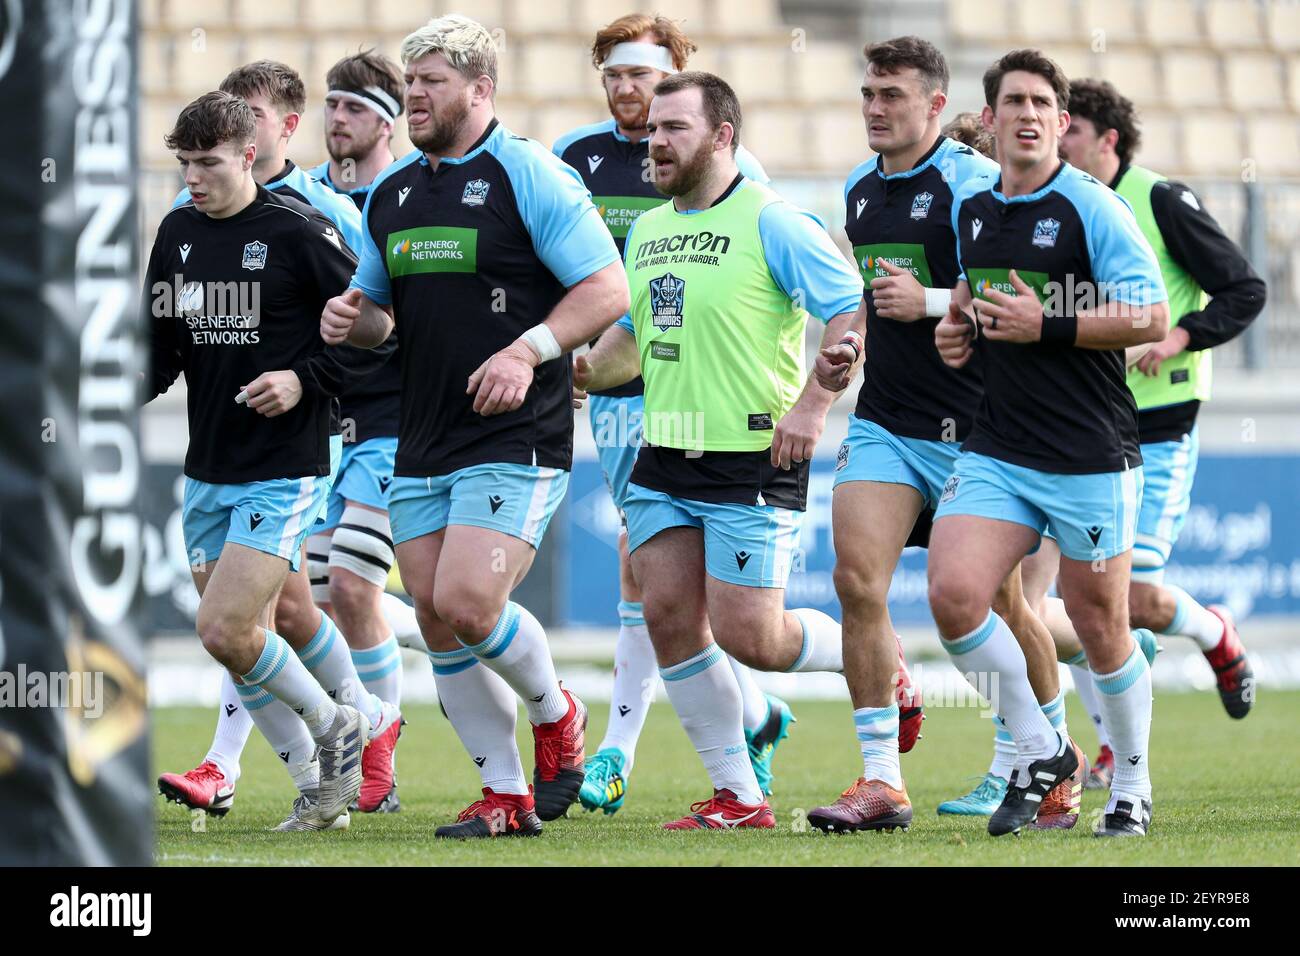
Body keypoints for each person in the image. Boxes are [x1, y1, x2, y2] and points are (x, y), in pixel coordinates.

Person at [320, 15, 628, 838]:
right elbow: (380, 314)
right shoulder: (392, 193)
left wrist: (528, 350)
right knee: (432, 612)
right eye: (411, 82)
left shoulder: (531, 173)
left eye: (433, 82)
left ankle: (558, 711)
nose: (415, 96)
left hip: (514, 433)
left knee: (467, 597)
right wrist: (355, 320)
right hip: (420, 434)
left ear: (480, 89)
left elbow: (608, 287)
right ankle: (505, 794)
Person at [806, 37, 1079, 834]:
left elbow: (1012, 294)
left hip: (979, 430)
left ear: (934, 104)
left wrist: (926, 303)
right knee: (857, 581)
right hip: (888, 421)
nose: (875, 108)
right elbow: (872, 297)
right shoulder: (858, 188)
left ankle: (1048, 758)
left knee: (1000, 604)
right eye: (868, 93)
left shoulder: (973, 184)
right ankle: (881, 782)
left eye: (891, 94)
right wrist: (851, 342)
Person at [577, 71, 863, 830]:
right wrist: (580, 370)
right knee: (668, 616)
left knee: (753, 637)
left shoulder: (773, 219)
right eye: (652, 130)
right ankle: (738, 796)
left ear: (722, 136)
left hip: (752, 455)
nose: (655, 142)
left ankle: (874, 655)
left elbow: (849, 307)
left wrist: (813, 405)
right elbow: (632, 337)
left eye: (674, 128)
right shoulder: (648, 230)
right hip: (663, 453)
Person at [551, 11, 792, 816]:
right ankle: (753, 716)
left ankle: (617, 749)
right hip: (620, 387)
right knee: (653, 572)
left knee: (647, 567)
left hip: (700, 395)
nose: (628, 89)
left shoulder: (731, 170)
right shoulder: (573, 158)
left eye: (645, 76)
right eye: (615, 74)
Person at [929, 50, 1170, 837]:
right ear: (990, 118)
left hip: (1090, 450)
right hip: (999, 445)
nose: (1027, 115)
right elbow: (972, 288)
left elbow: (1150, 316)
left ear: (1062, 124)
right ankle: (1043, 750)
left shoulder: (1092, 207)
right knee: (954, 596)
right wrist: (958, 326)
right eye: (1014, 102)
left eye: (1042, 104)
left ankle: (1130, 786)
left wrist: (1049, 324)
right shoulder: (973, 208)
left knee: (1100, 624)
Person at [156, 59, 403, 824]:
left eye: (207, 163)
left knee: (227, 625)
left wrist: (303, 379)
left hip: (288, 463)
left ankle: (342, 722)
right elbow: (160, 354)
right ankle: (321, 784)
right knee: (254, 633)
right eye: (185, 163)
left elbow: (379, 333)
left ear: (247, 153)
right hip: (210, 465)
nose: (193, 178)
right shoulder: (177, 232)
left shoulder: (301, 229)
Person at [1036, 78, 1265, 785]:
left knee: (1128, 597)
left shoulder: (1160, 199)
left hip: (1158, 427)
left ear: (1108, 139)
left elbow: (1245, 288)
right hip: (1077, 428)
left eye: (1072, 129)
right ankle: (1108, 745)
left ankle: (1214, 632)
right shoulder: (1056, 205)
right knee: (1075, 597)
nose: (1058, 139)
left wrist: (1179, 335)